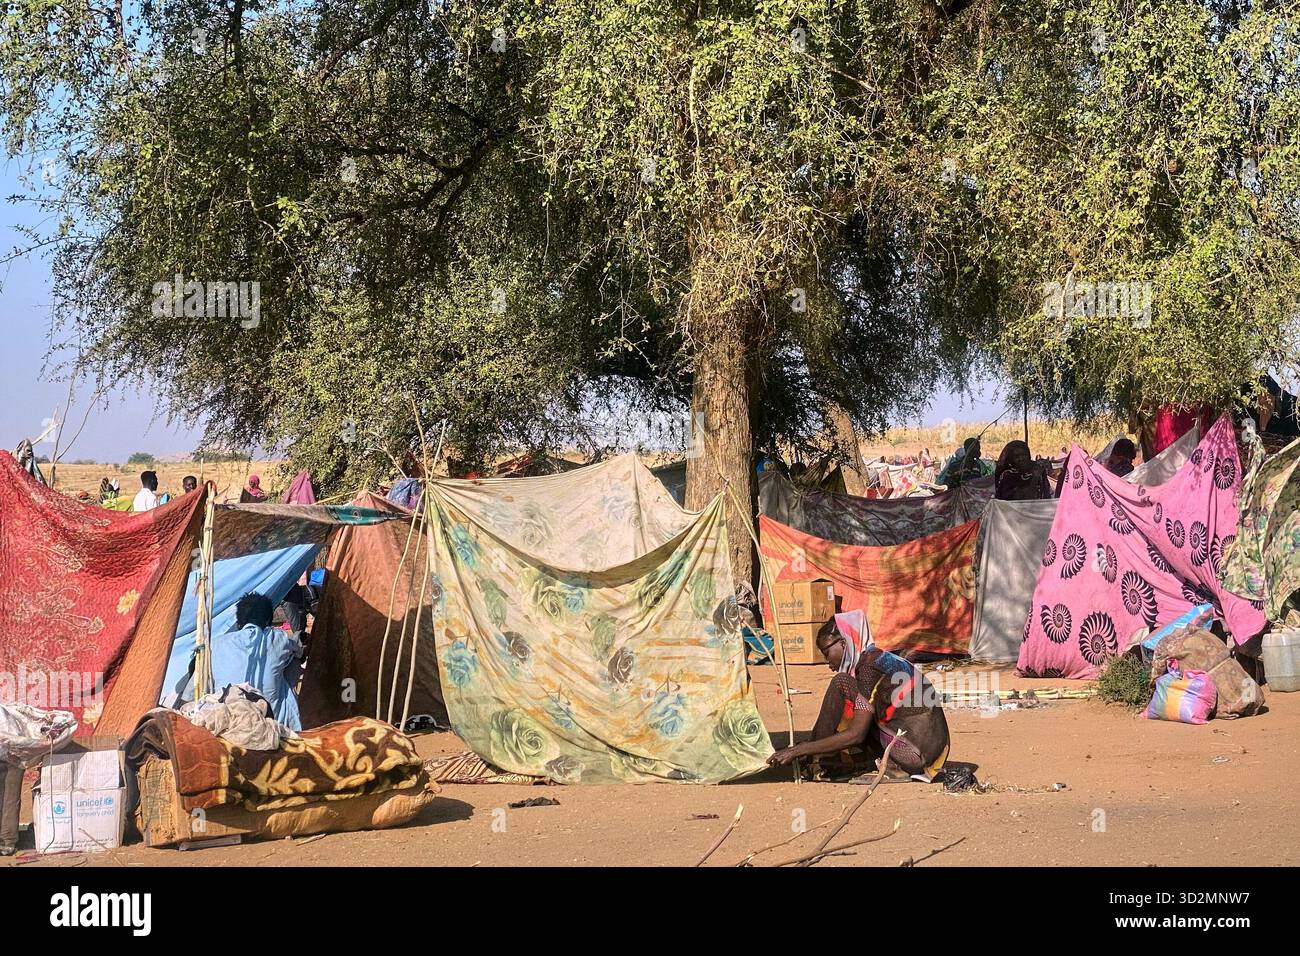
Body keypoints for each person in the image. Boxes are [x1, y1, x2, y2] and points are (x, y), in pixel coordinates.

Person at [768, 611, 951, 781]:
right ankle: (816, 757)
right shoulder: (876, 659)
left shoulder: (869, 668)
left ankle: (818, 760)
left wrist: (799, 750)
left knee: (845, 691)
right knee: (843, 683)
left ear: (843, 643)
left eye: (827, 653)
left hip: (913, 754)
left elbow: (856, 735)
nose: (827, 661)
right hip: (930, 750)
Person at [209, 592, 304, 730]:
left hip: (225, 720)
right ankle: (292, 722)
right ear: (267, 622)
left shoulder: (215, 644)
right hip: (272, 722)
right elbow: (298, 651)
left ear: (239, 622)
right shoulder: (278, 638)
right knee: (291, 662)